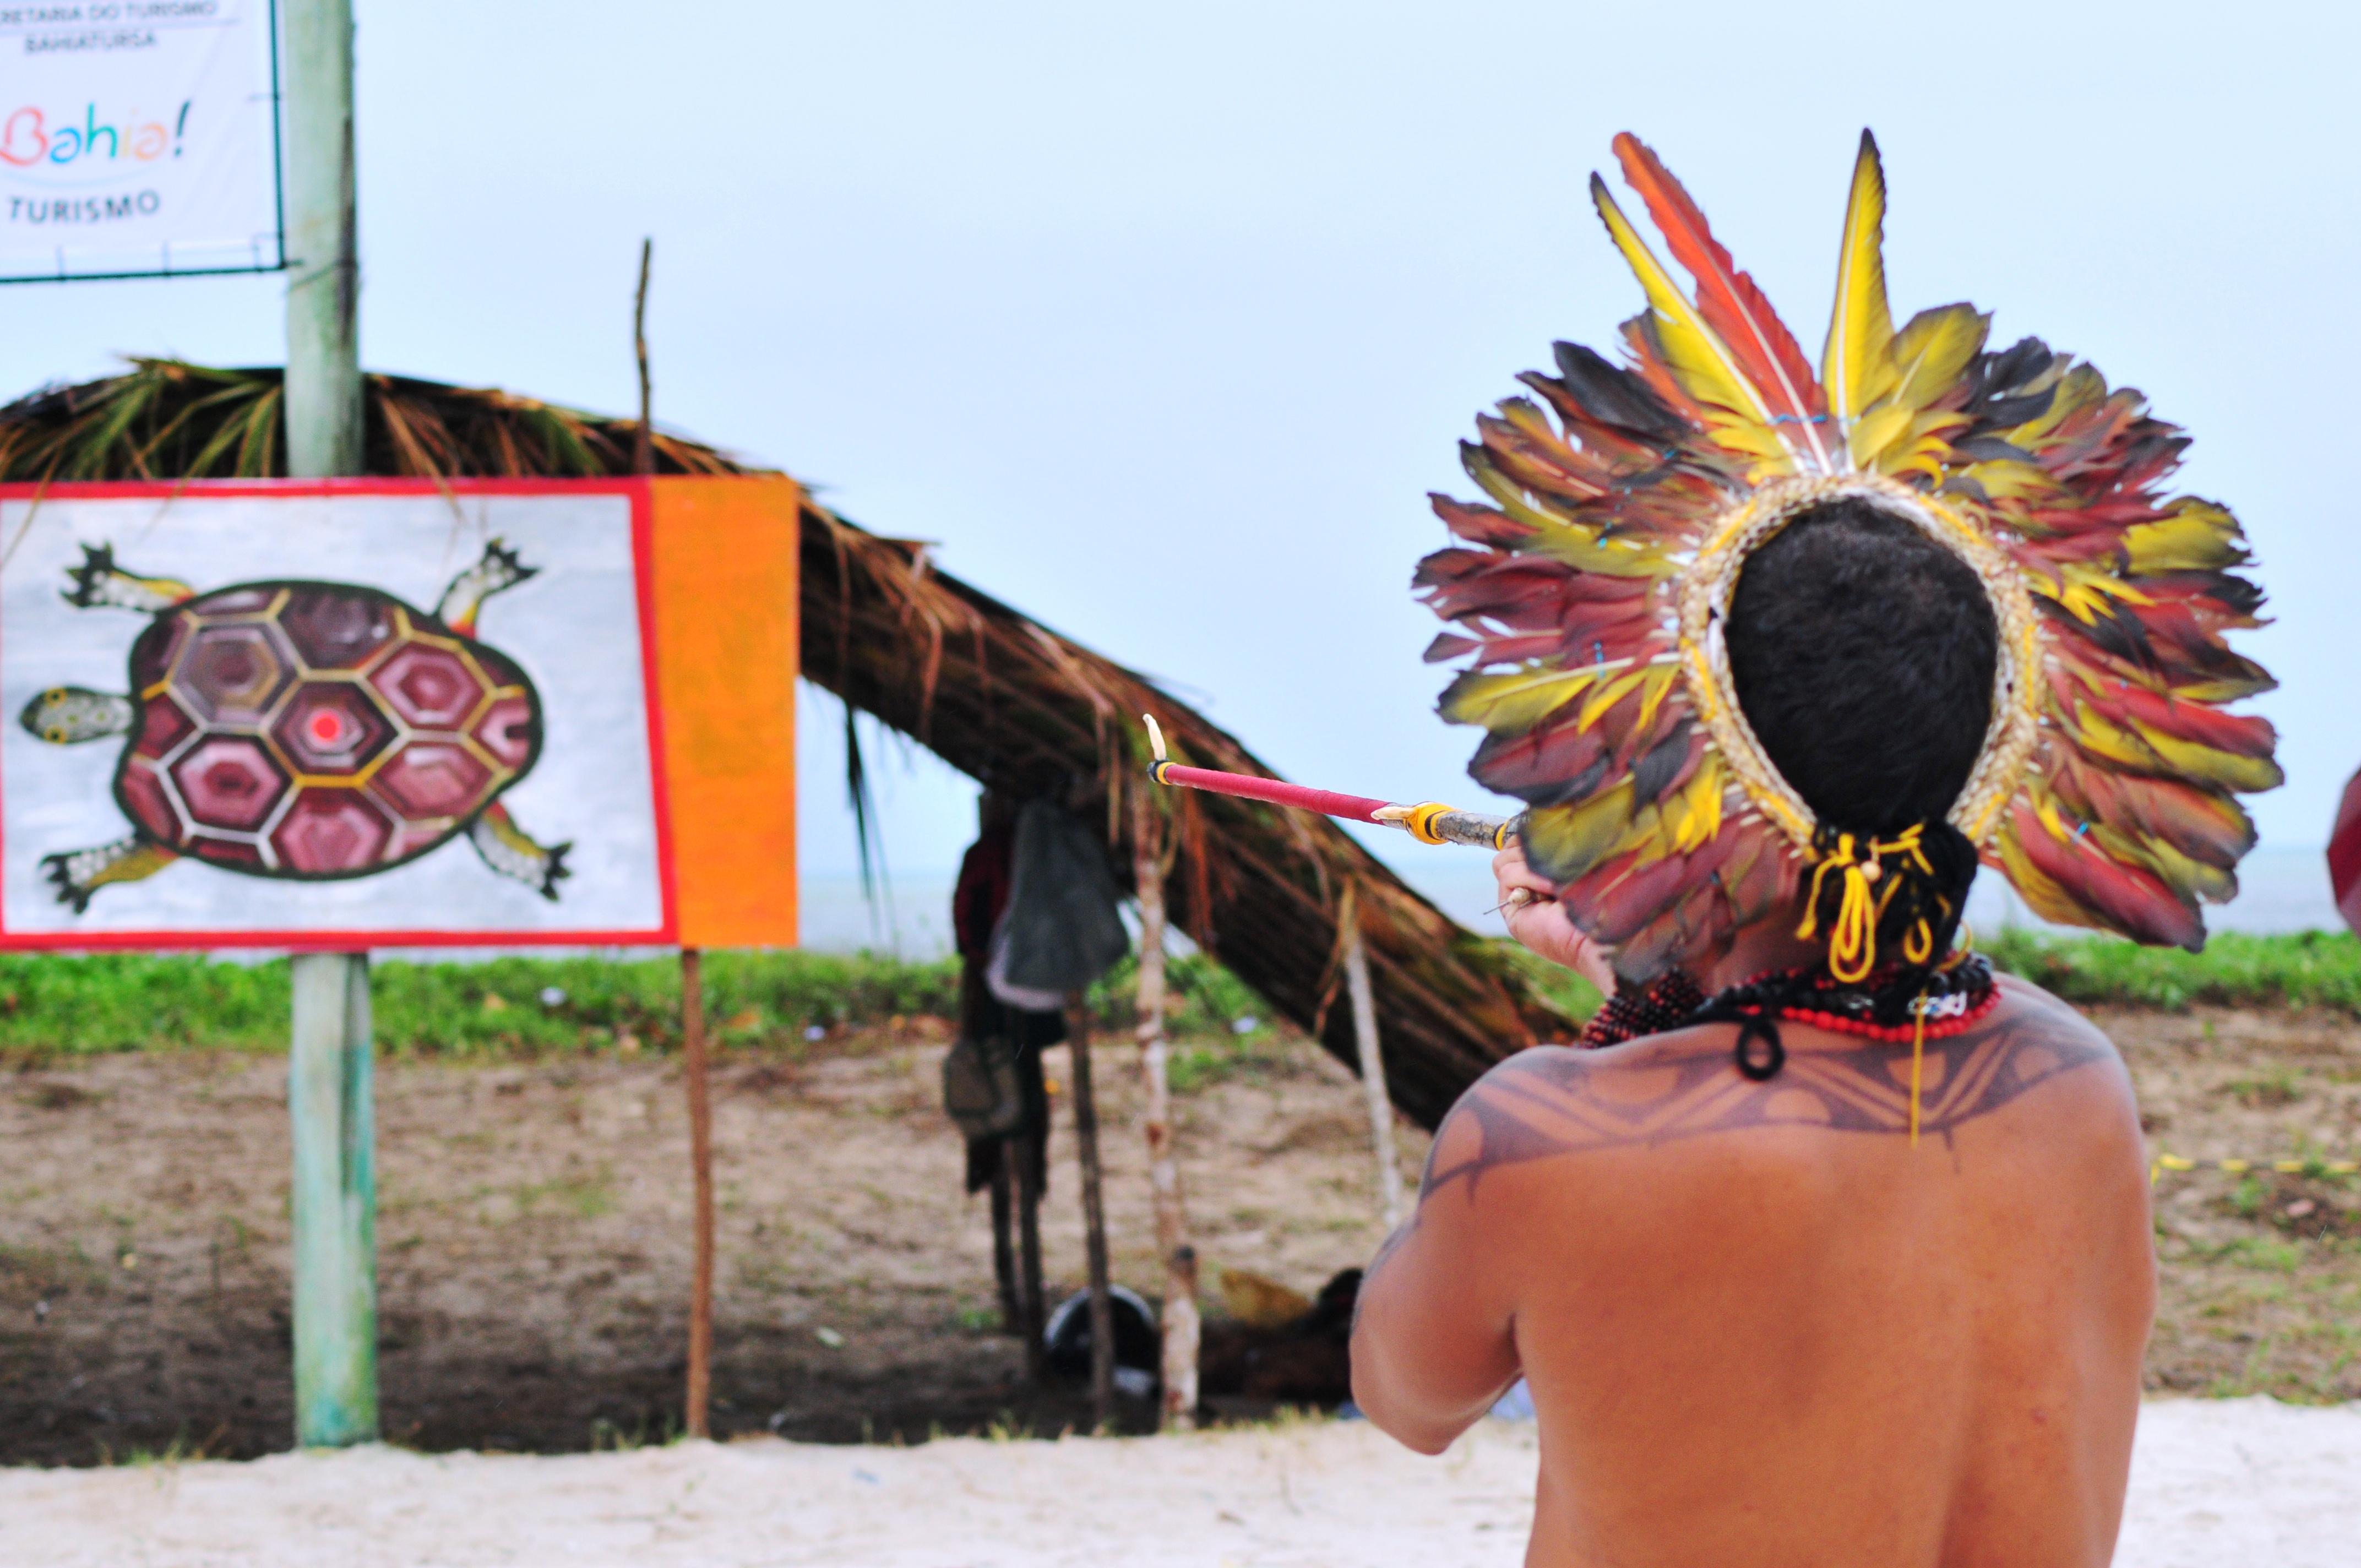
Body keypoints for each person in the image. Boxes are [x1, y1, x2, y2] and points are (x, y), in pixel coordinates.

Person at [1356, 131, 2276, 1568]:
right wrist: (1650, 979)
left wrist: (1621, 1012)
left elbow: (1404, 1393)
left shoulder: (1537, 1137)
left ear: (1677, 779)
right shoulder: (2075, 1088)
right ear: (1990, 754)